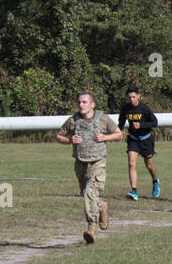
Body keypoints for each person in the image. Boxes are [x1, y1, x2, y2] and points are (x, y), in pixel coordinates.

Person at [56, 92, 124, 243]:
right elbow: (58, 136)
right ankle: (102, 206)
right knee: (88, 195)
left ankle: (91, 229)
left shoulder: (103, 119)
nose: (81, 105)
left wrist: (105, 137)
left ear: (92, 105)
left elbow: (119, 135)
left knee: (89, 193)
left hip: (97, 163)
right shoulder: (73, 120)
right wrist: (69, 140)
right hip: (80, 163)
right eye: (79, 102)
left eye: (85, 102)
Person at [118, 86, 160, 200]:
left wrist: (141, 125)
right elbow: (121, 122)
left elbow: (155, 122)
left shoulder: (144, 109)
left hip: (146, 139)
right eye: (129, 97)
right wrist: (118, 132)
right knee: (132, 163)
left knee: (149, 165)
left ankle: (155, 181)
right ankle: (134, 191)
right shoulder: (126, 108)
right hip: (133, 139)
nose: (131, 99)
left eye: (133, 97)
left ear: (138, 96)